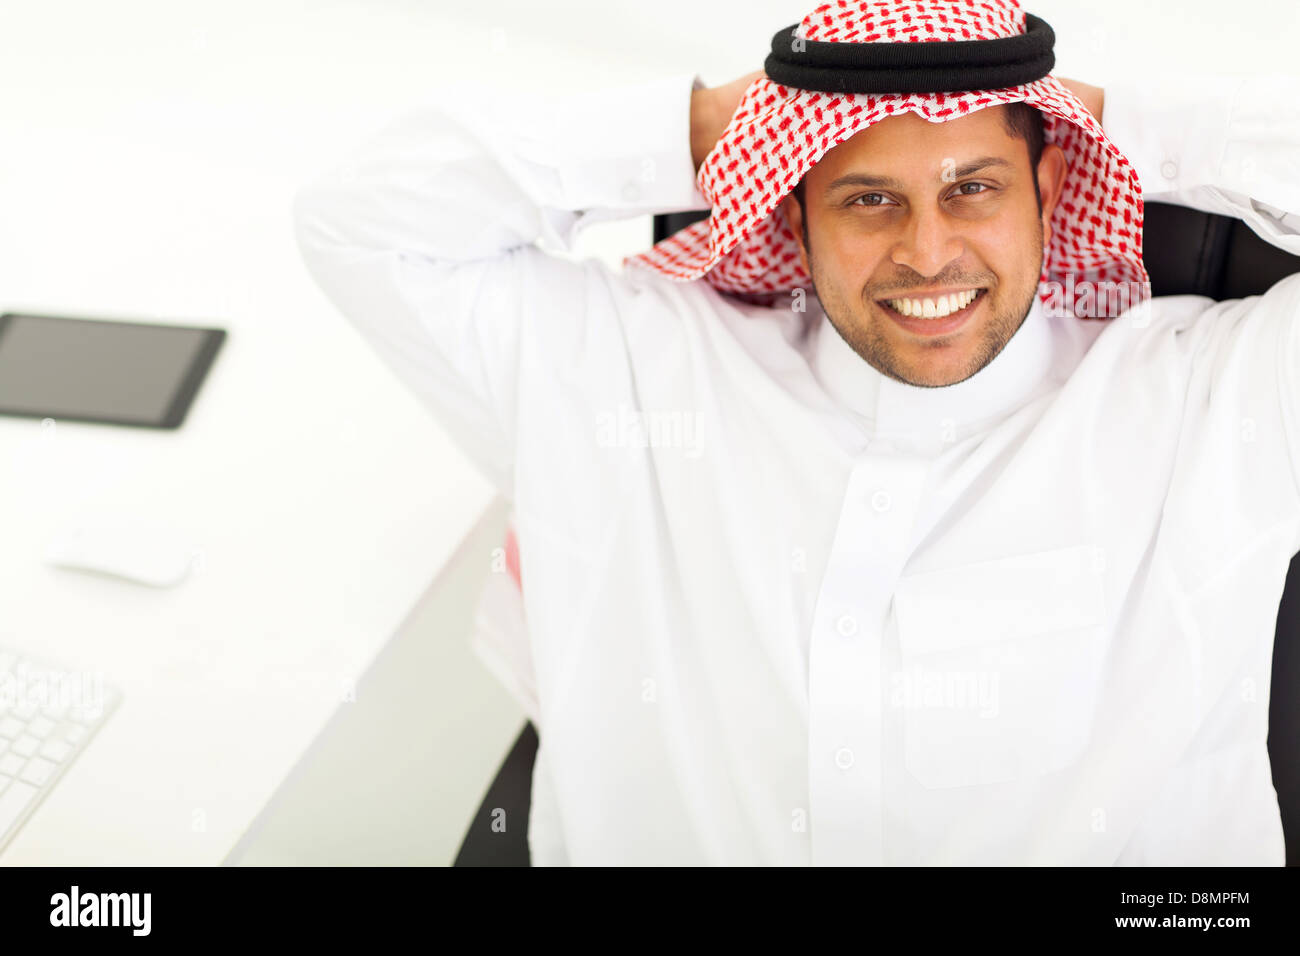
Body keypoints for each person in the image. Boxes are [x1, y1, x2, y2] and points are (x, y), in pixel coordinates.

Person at [292, 0, 1300, 864]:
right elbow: (359, 220)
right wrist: (703, 125)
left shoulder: (1210, 398)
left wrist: (1113, 120)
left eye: (973, 186)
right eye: (868, 198)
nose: (927, 251)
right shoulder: (629, 371)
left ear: (1047, 190)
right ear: (790, 207)